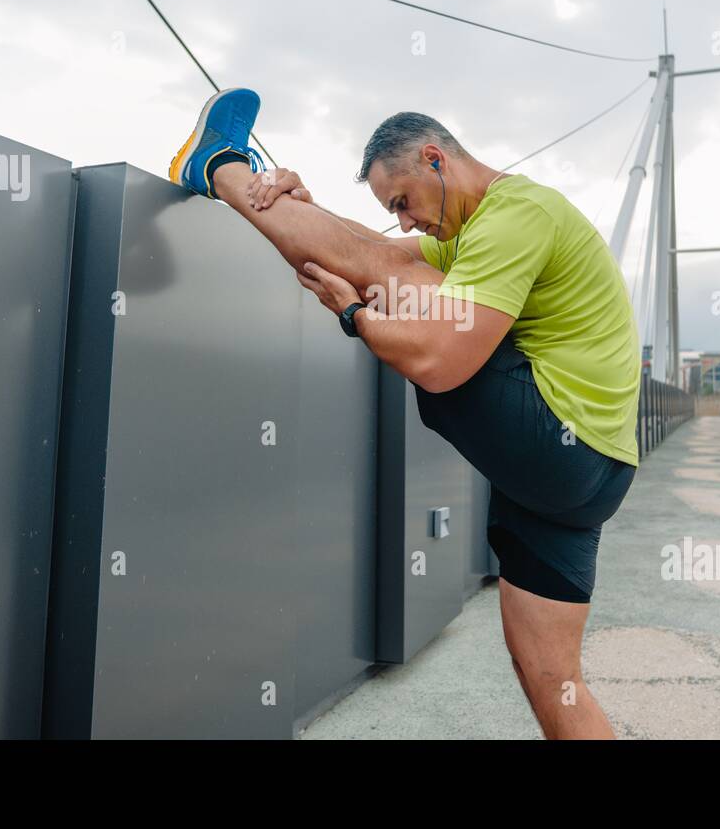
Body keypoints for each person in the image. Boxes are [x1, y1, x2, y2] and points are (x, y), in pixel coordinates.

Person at [170, 88, 641, 739]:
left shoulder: (516, 216)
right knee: (554, 678)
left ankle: (218, 167)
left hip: (562, 445)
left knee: (381, 279)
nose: (405, 221)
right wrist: (308, 210)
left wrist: (354, 314)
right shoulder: (479, 229)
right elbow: (375, 251)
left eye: (403, 202)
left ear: (434, 159)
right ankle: (230, 172)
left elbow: (438, 358)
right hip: (588, 480)